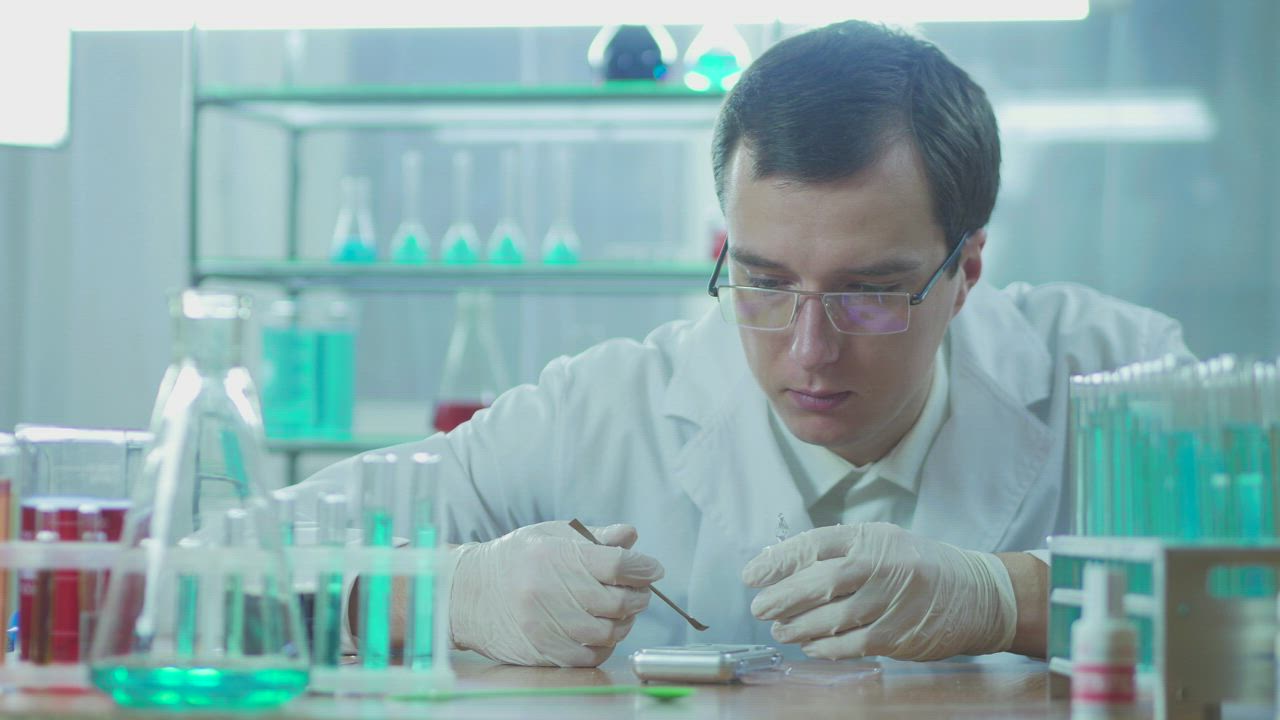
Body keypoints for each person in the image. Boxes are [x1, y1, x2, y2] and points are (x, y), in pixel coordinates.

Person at [297, 19, 1192, 667]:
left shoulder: (1115, 371)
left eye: (870, 292)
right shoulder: (606, 413)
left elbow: (1255, 604)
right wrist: (442, 594)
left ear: (967, 272)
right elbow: (217, 554)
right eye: (763, 280)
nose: (807, 350)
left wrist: (1010, 601)